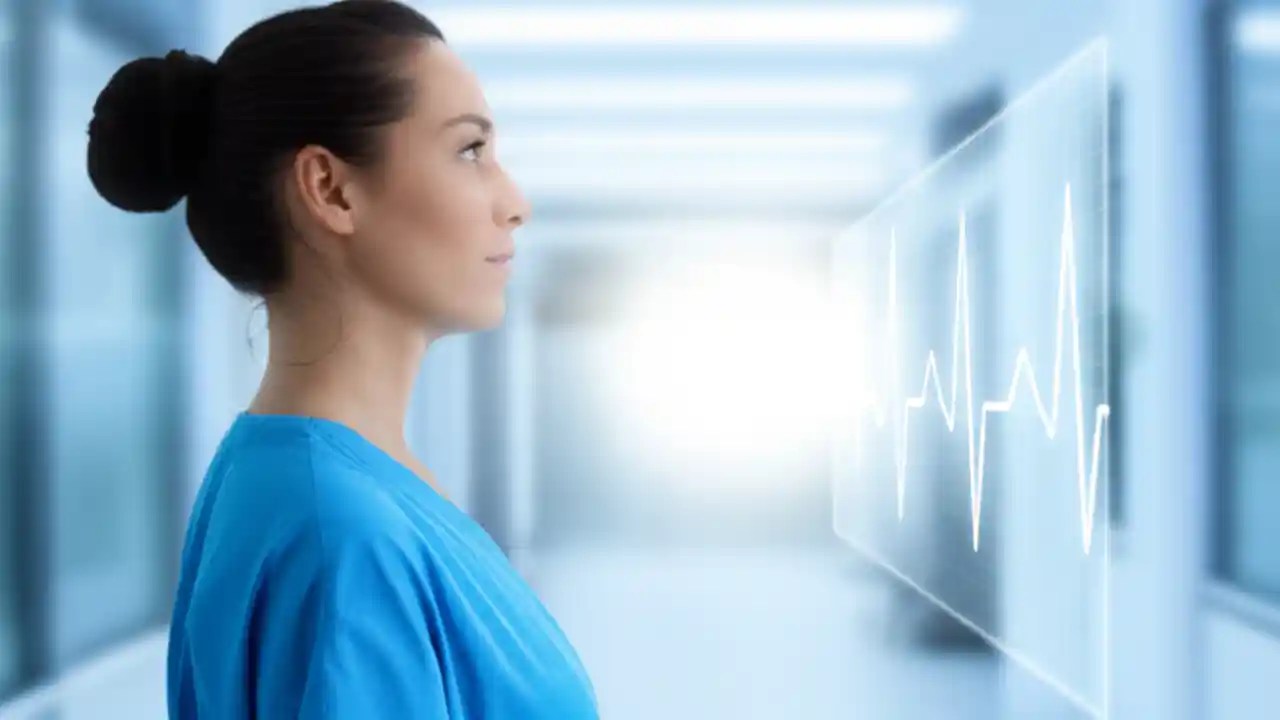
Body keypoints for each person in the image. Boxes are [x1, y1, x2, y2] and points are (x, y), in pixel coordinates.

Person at [85, 1, 598, 717]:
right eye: (469, 150)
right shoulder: (347, 537)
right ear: (330, 189)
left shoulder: (289, 475)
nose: (514, 203)